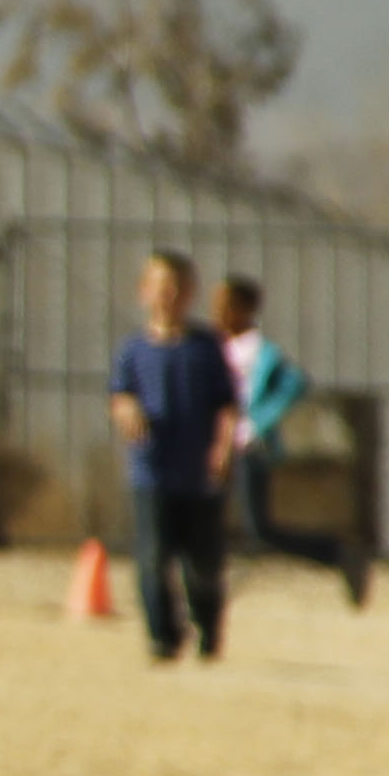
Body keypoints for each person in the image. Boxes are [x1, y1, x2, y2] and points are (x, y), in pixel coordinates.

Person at [111, 252, 240, 661]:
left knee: (202, 564)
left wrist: (222, 447)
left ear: (190, 294)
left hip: (199, 474)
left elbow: (228, 405)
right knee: (151, 559)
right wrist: (126, 411)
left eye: (177, 287)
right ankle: (162, 638)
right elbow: (119, 395)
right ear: (143, 291)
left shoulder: (206, 349)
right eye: (160, 286)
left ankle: (207, 629)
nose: (168, 295)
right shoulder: (133, 351)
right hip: (151, 472)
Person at [214, 275, 368, 606]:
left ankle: (336, 553)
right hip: (213, 447)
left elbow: (294, 385)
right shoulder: (212, 347)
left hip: (248, 448)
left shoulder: (260, 352)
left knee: (260, 529)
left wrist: (260, 421)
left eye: (226, 305)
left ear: (246, 308)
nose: (218, 312)